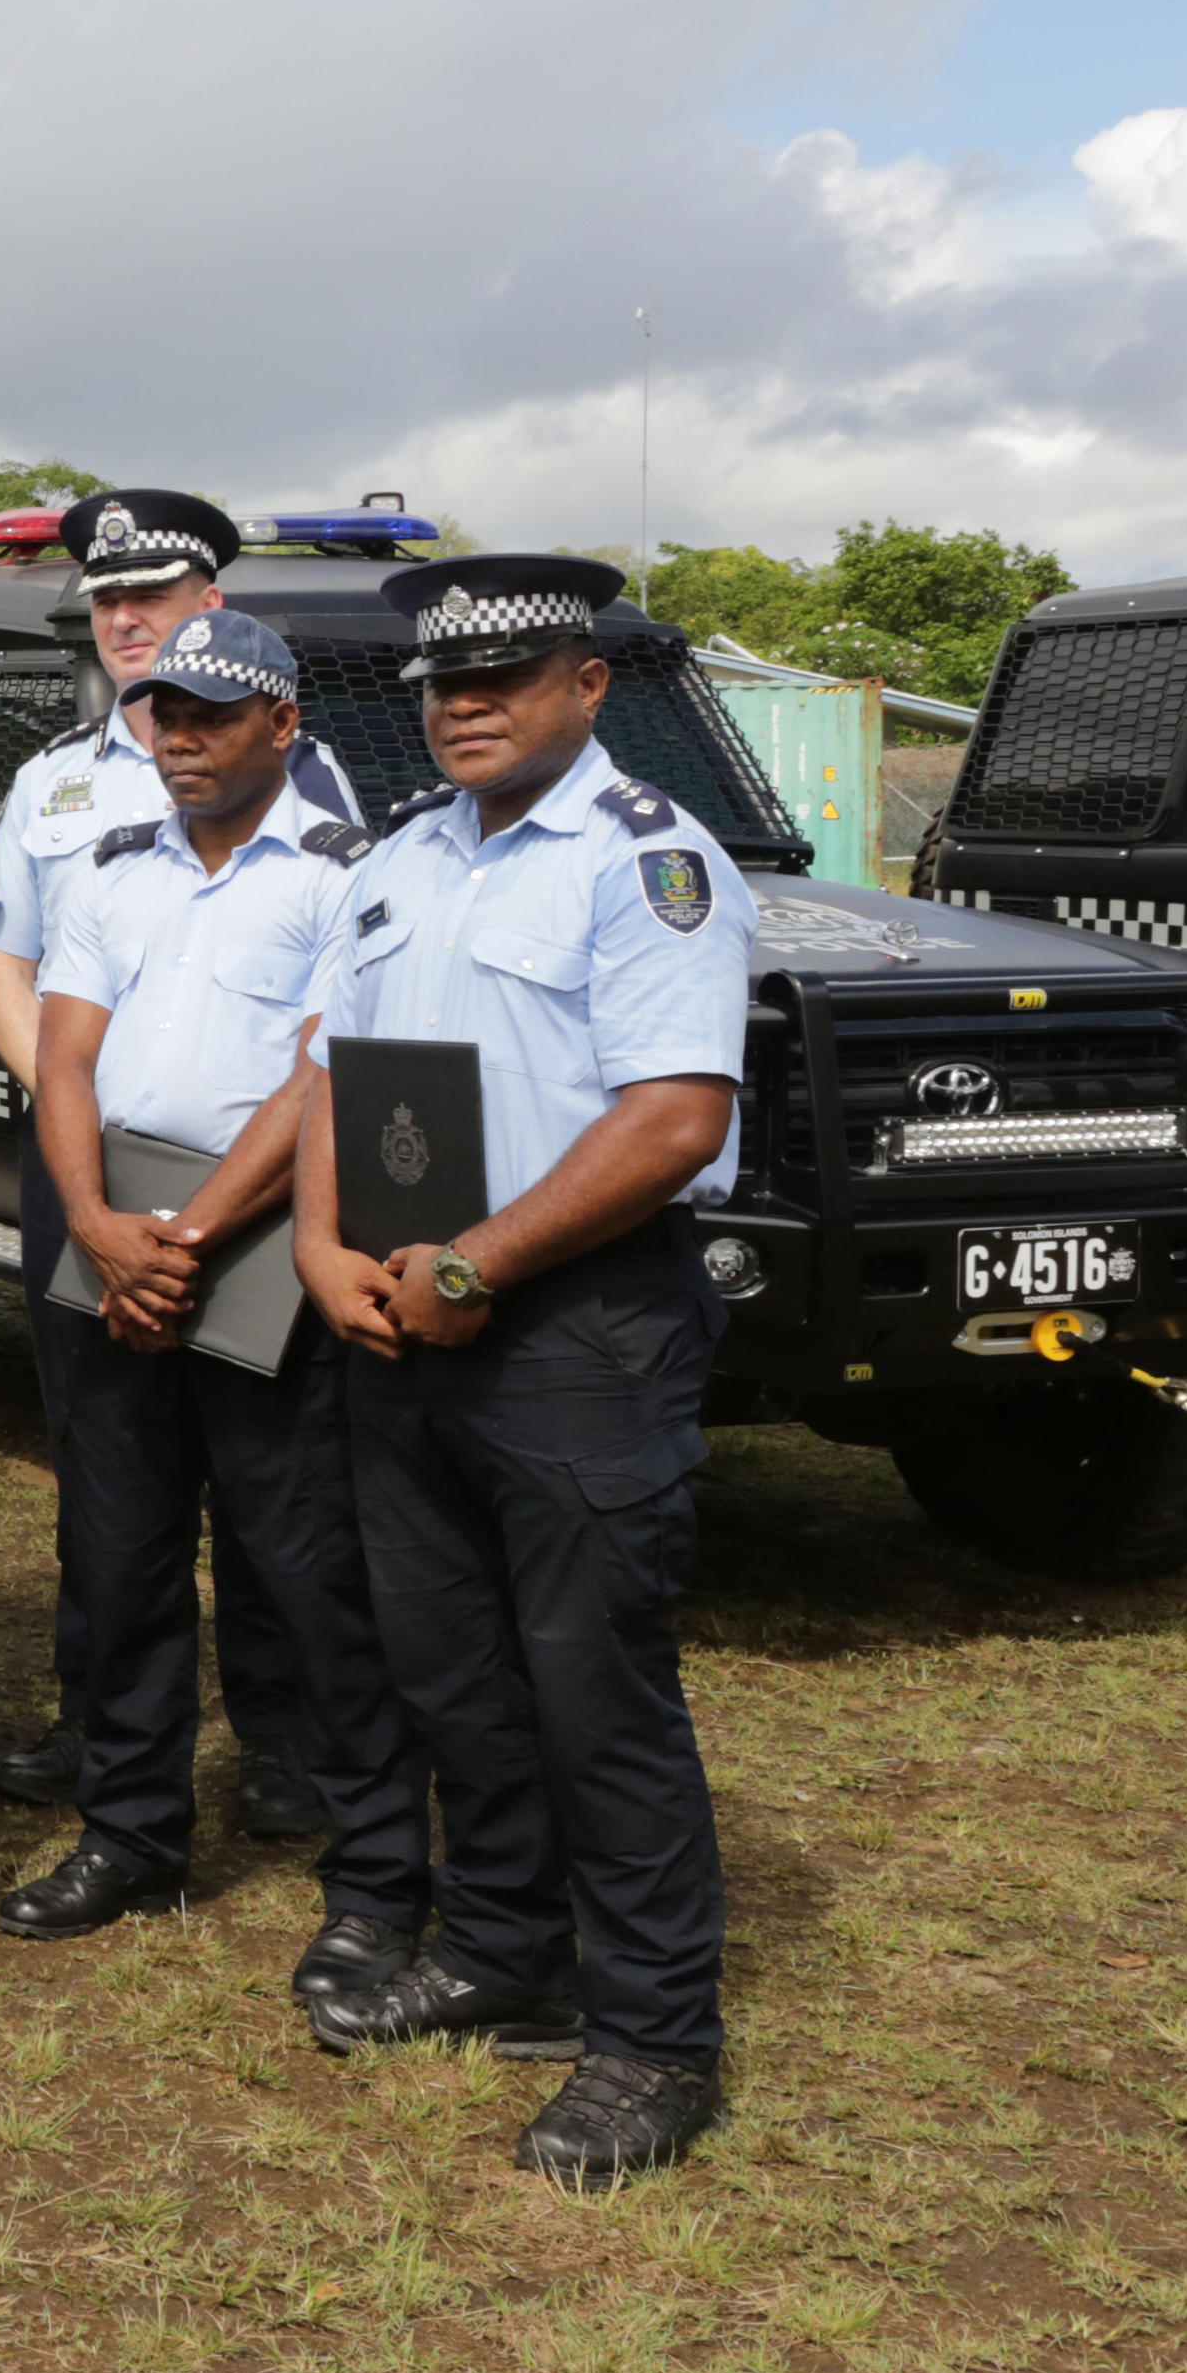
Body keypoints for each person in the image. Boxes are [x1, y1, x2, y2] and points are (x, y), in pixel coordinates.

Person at [291, 553, 756, 2189]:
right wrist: (316, 1239)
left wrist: (482, 1261)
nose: (463, 704)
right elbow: (333, 1060)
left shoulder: (649, 864)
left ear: (589, 686)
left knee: (593, 1682)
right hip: (395, 1312)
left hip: (575, 1328)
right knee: (453, 1669)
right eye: (442, 681)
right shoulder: (403, 852)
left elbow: (676, 1115)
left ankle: (651, 2035)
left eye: (503, 675)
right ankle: (506, 1942)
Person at [0, 608, 429, 1999]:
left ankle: (372, 1874)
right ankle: (132, 1834)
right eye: (162, 714)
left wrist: (178, 1235)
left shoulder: (342, 874)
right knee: (117, 1561)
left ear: (283, 726)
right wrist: (105, 1231)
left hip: (255, 1254)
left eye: (210, 715)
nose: (176, 737)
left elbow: (323, 1078)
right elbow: (62, 1064)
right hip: (110, 1236)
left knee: (309, 1573)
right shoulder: (114, 871)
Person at [0, 490, 361, 1830]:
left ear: (216, 604)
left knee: (274, 1495)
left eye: (154, 594)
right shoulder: (60, 781)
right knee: (108, 1482)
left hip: (253, 1197)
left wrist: (181, 1220)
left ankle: (284, 1745)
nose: (124, 618)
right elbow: (14, 970)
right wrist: (94, 1183)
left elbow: (329, 1046)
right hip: (92, 1169)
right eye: (105, 598)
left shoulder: (319, 798)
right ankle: (108, 1741)